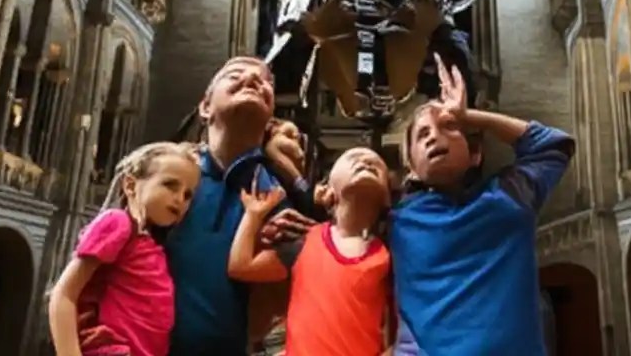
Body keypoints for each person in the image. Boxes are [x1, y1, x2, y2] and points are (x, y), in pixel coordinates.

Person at [391, 55, 575, 355]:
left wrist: (470, 116)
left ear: (475, 154)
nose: (433, 137)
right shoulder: (395, 218)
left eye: (449, 128)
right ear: (411, 166)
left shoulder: (509, 197)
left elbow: (553, 146)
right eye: (422, 134)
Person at [164, 56, 316, 356]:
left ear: (270, 113)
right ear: (205, 107)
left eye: (265, 82)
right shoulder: (158, 173)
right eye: (235, 74)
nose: (252, 80)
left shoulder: (283, 197)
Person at [228, 147, 394, 355]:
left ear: (387, 196)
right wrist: (253, 215)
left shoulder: (389, 255)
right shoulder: (305, 243)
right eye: (353, 158)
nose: (366, 161)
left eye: (377, 164)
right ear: (326, 191)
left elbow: (396, 331)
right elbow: (241, 266)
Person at [48, 142, 202, 356]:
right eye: (170, 185)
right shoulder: (118, 222)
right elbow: (64, 294)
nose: (179, 199)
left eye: (187, 195)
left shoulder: (151, 246)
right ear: (130, 185)